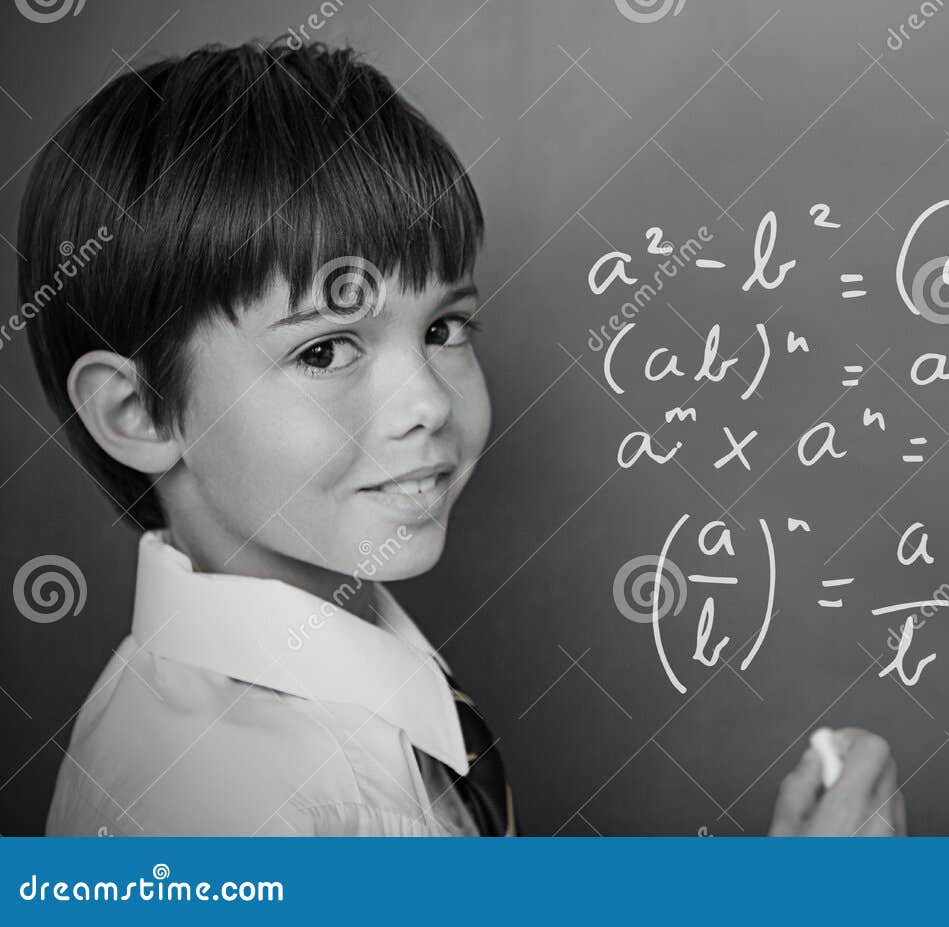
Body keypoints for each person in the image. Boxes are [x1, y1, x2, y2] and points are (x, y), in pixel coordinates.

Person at [18, 40, 902, 837]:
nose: (428, 404)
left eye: (444, 329)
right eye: (326, 349)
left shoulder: (327, 680)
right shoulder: (233, 808)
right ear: (140, 412)